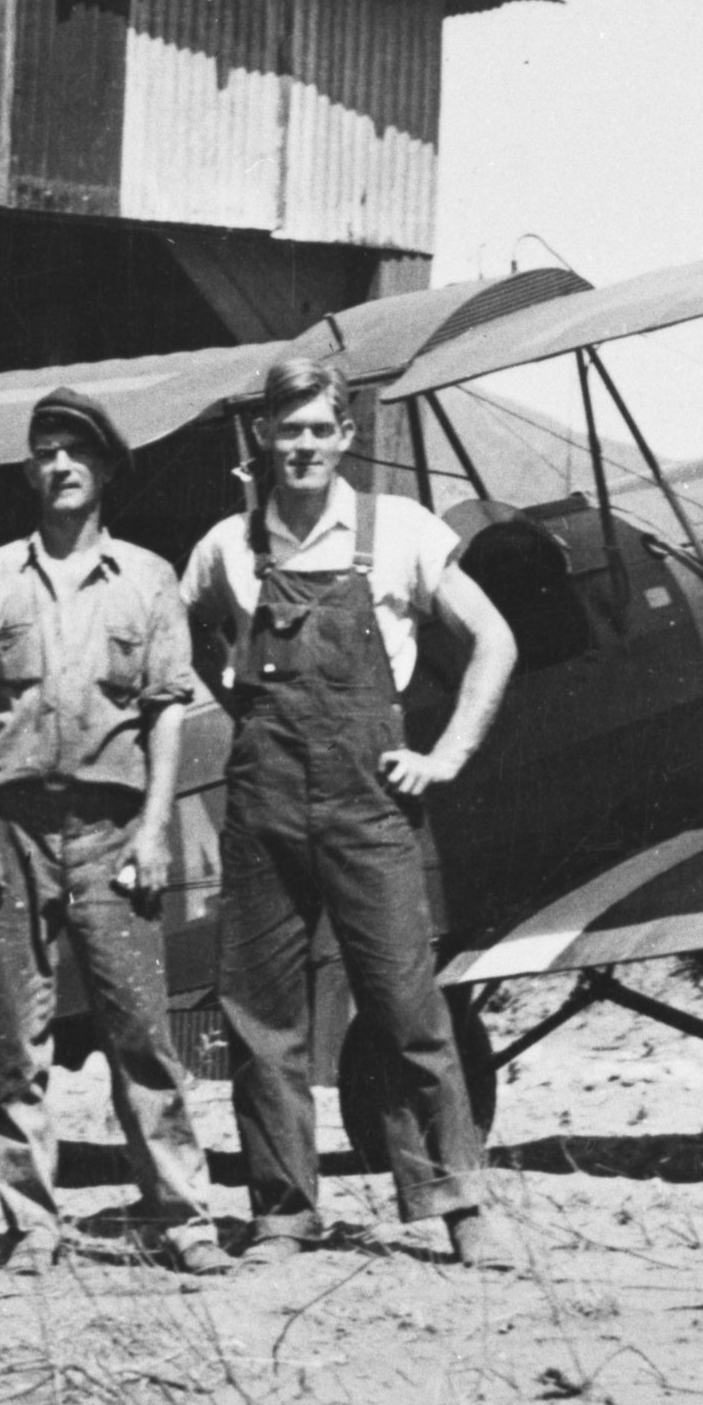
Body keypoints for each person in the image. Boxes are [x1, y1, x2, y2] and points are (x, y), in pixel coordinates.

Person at [184, 355, 524, 1269]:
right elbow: (199, 641)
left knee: (407, 1004)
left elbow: (494, 637)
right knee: (261, 1015)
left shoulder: (402, 530)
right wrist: (249, 715)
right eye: (284, 428)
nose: (300, 445)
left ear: (344, 436)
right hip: (263, 804)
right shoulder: (224, 546)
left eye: (317, 429)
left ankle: (458, 1202)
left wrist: (445, 753)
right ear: (263, 436)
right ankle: (283, 1211)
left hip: (369, 800)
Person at [0, 388, 234, 1276]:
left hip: (111, 830)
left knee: (140, 1033)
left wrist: (152, 832)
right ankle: (32, 1223)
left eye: (75, 451)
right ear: (28, 470)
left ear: (104, 467)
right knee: (13, 1040)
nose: (58, 464)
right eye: (43, 451)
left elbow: (168, 715)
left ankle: (182, 1216)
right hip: (14, 828)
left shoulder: (147, 578)